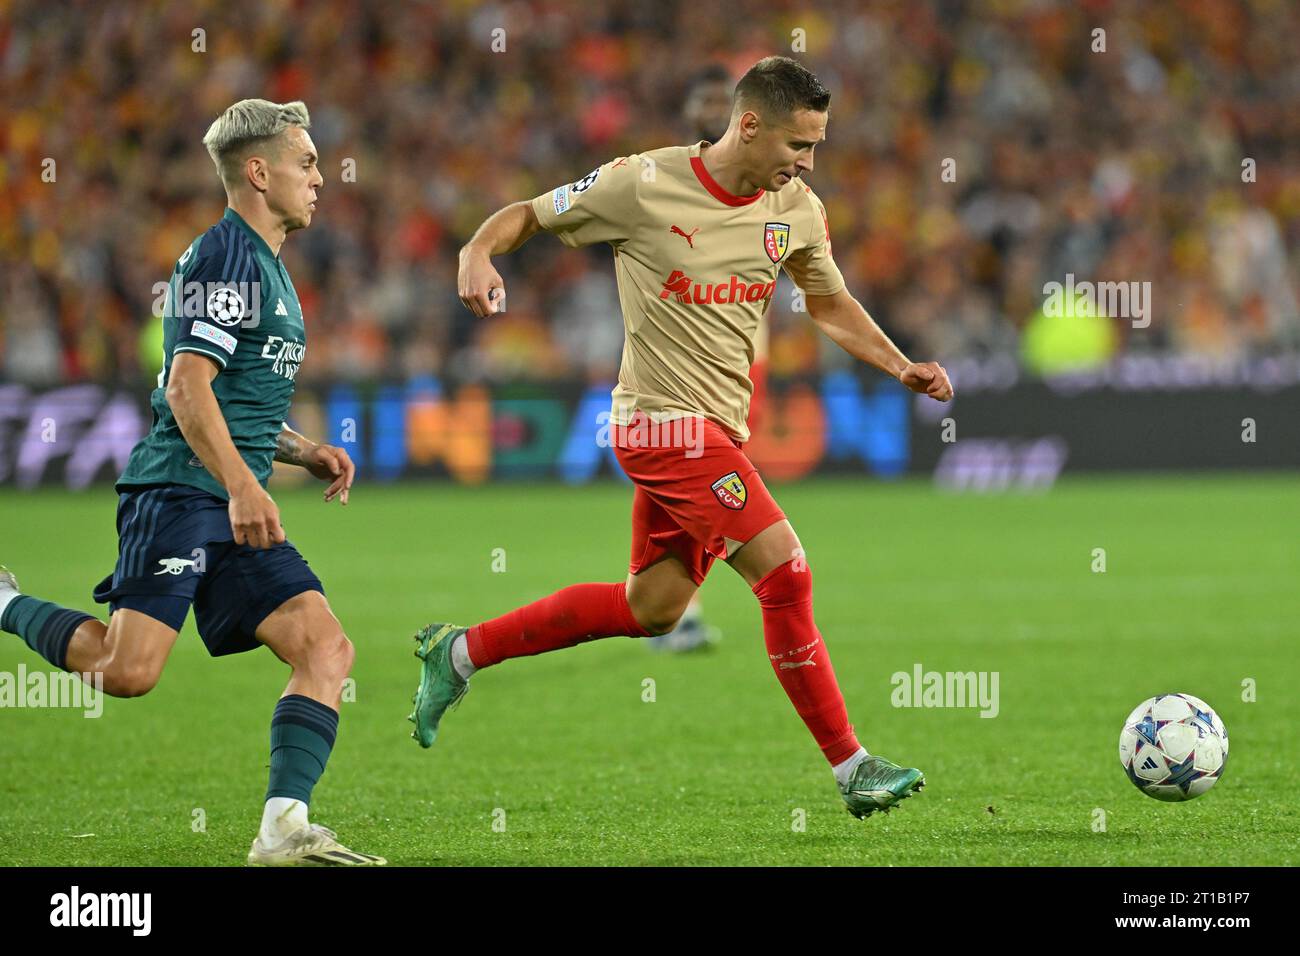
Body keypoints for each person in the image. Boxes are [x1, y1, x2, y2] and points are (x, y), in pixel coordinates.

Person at [413, 56, 954, 819]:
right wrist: (476, 252)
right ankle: (852, 766)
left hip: (720, 431)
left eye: (817, 148)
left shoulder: (797, 208)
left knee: (653, 609)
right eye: (799, 145)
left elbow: (828, 303)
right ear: (749, 123)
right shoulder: (641, 184)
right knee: (786, 574)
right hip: (658, 424)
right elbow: (529, 214)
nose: (806, 163)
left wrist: (900, 365)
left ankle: (461, 652)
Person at [0, 98, 384, 865]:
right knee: (127, 670)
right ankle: (5, 601)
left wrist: (302, 450)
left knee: (326, 649)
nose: (319, 179)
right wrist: (246, 485)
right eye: (305, 163)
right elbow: (186, 389)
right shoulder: (224, 259)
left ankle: (282, 828)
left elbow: (231, 400)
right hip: (181, 491)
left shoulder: (266, 263)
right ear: (257, 170)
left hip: (233, 492)